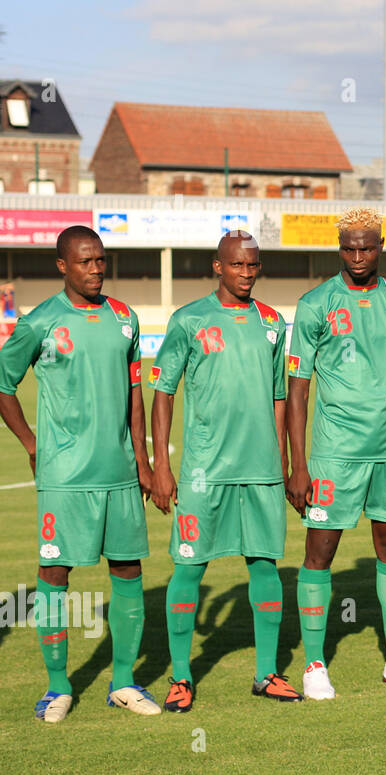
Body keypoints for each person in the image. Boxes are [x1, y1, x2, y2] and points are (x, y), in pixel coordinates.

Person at [0, 226, 157, 721]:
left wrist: (145, 462)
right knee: (54, 573)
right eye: (85, 261)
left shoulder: (124, 318)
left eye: (100, 260)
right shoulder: (40, 321)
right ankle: (56, 687)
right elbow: (4, 384)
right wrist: (31, 443)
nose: (96, 269)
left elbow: (136, 395)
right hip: (65, 476)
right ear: (61, 266)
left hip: (121, 475)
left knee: (128, 570)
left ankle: (125, 682)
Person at [149, 231, 304, 712]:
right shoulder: (188, 320)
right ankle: (180, 676)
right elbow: (163, 393)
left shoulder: (273, 322)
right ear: (218, 267)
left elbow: (280, 397)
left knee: (264, 563)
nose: (247, 273)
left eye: (254, 265)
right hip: (203, 471)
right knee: (189, 566)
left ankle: (266, 674)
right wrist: (161, 466)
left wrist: (284, 461)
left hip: (260, 469)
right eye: (238, 265)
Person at [285, 208, 386, 698]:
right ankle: (313, 666)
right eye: (349, 247)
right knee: (320, 552)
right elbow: (298, 388)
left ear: (381, 246)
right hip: (334, 454)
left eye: (366, 247)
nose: (357, 256)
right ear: (339, 248)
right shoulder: (315, 303)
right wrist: (298, 464)